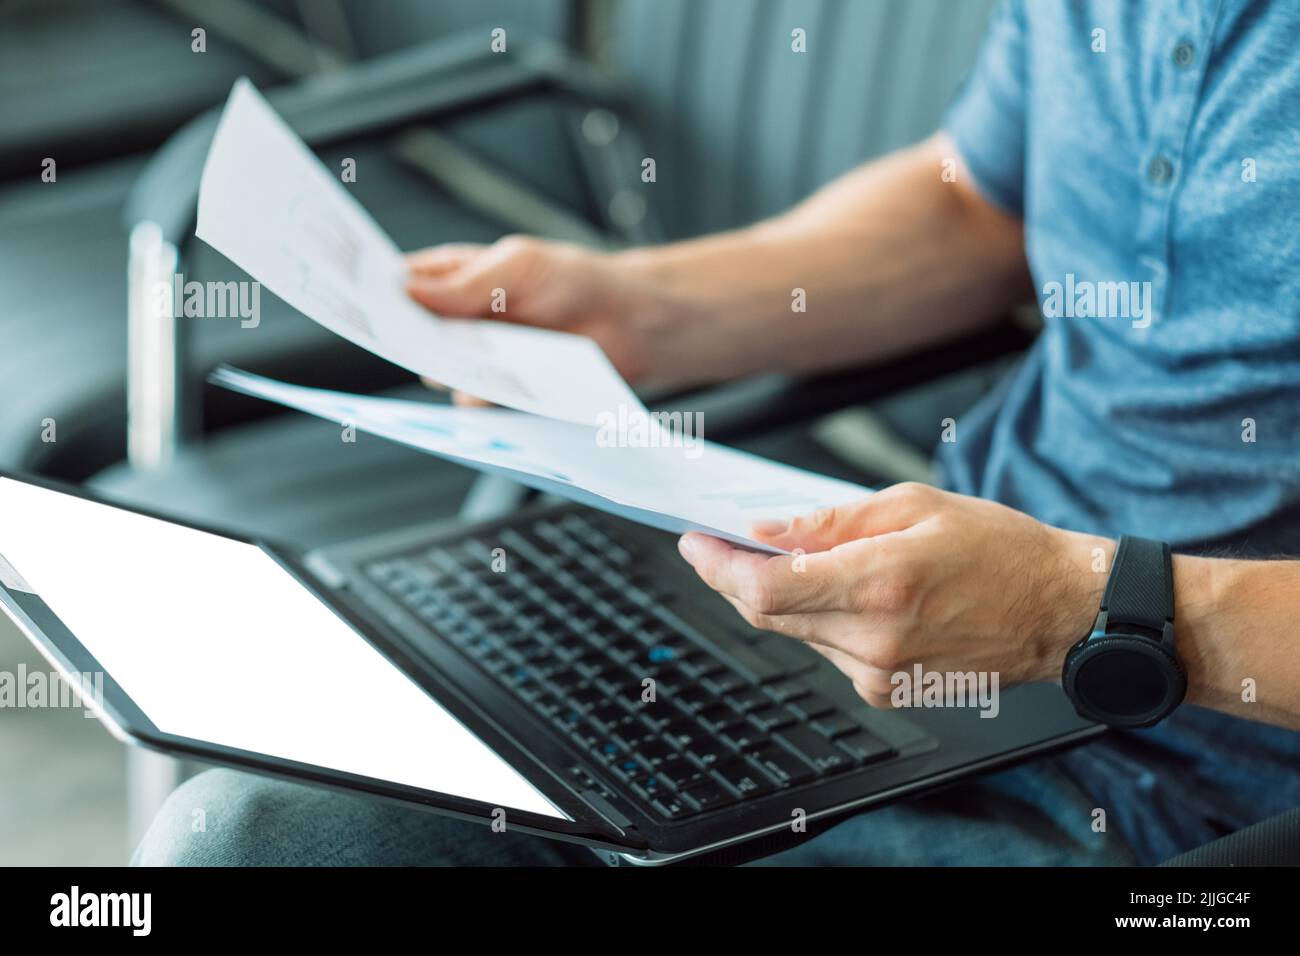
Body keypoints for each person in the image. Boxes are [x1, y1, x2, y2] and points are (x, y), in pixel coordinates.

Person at [135, 0, 1300, 866]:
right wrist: (648, 308)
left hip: (1196, 808)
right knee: (264, 832)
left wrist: (1089, 608)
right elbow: (977, 198)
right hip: (903, 657)